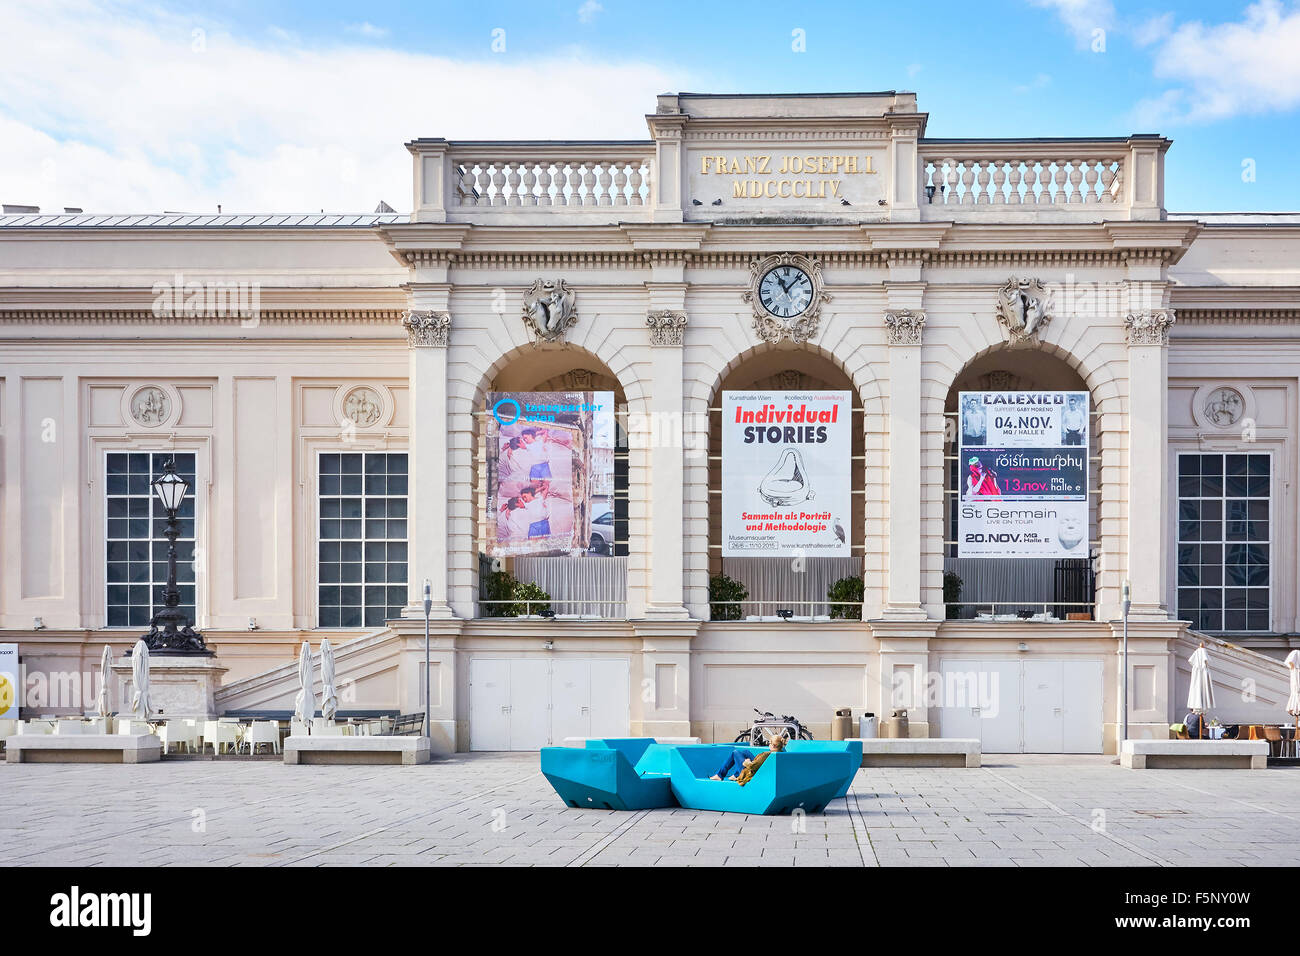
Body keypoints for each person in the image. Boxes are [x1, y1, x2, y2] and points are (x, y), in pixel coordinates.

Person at [709, 734, 787, 782]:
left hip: (751, 774)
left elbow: (752, 766)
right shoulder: (781, 753)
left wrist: (747, 762)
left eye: (769, 743)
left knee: (735, 752)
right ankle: (736, 775)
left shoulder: (767, 754)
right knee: (746, 752)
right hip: (760, 770)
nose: (768, 745)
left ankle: (720, 775)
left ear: (773, 745)